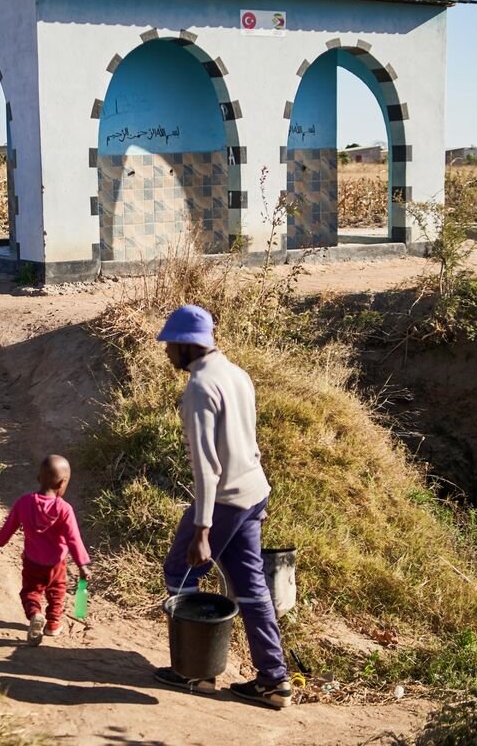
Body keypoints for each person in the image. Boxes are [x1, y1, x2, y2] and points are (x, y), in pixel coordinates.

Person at [152, 304, 292, 709]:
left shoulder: (198, 389)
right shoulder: (237, 373)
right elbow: (250, 439)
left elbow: (207, 469)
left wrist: (202, 531)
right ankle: (274, 680)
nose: (166, 353)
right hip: (253, 489)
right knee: (251, 586)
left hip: (226, 498)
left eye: (169, 345)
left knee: (180, 570)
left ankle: (194, 673)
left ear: (186, 345)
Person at [0, 454, 92, 645]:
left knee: (30, 592)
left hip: (32, 561)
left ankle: (35, 614)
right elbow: (73, 539)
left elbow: (9, 526)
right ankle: (53, 624)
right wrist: (82, 564)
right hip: (56, 564)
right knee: (56, 592)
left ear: (38, 478)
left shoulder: (23, 502)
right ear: (62, 483)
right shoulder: (65, 509)